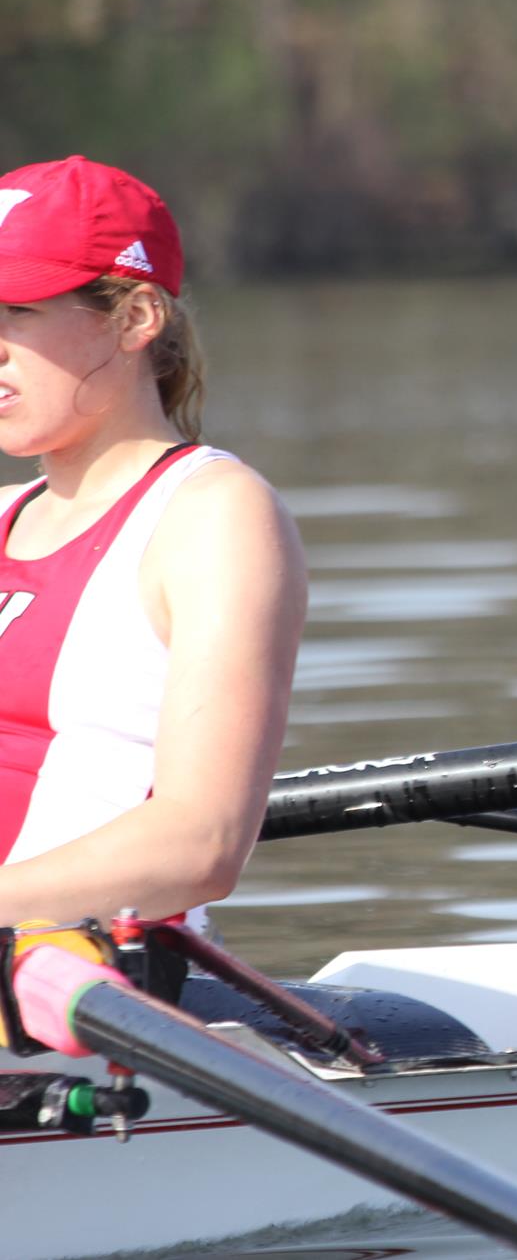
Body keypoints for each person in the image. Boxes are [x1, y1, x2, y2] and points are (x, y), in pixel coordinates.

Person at [0, 155, 306, 928]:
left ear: (136, 318)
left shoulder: (212, 518)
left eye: (17, 311)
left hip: (97, 973)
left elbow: (201, 843)